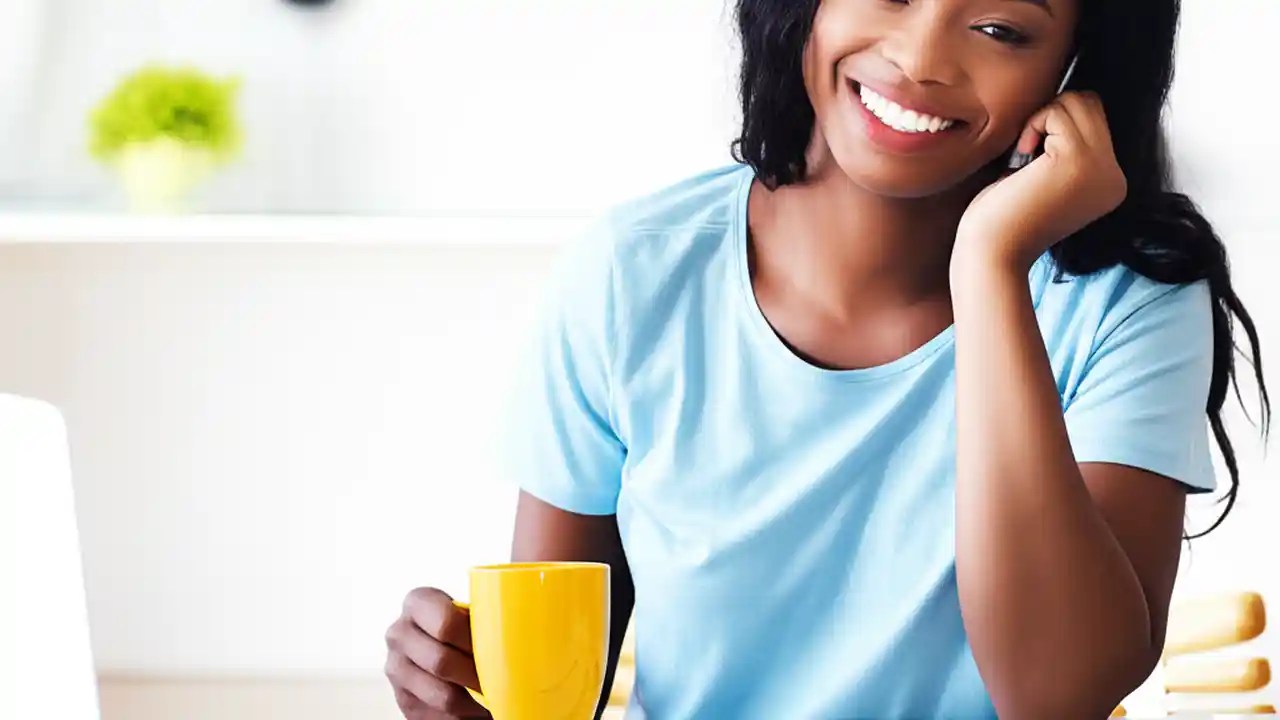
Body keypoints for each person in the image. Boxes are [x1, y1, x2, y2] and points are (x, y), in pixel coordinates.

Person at [384, 0, 1270, 717]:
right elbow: (552, 684)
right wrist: (460, 685)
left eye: (1001, 29)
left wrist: (990, 264)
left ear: (1076, 68)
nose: (922, 56)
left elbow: (1058, 693)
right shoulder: (633, 274)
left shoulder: (1130, 303)